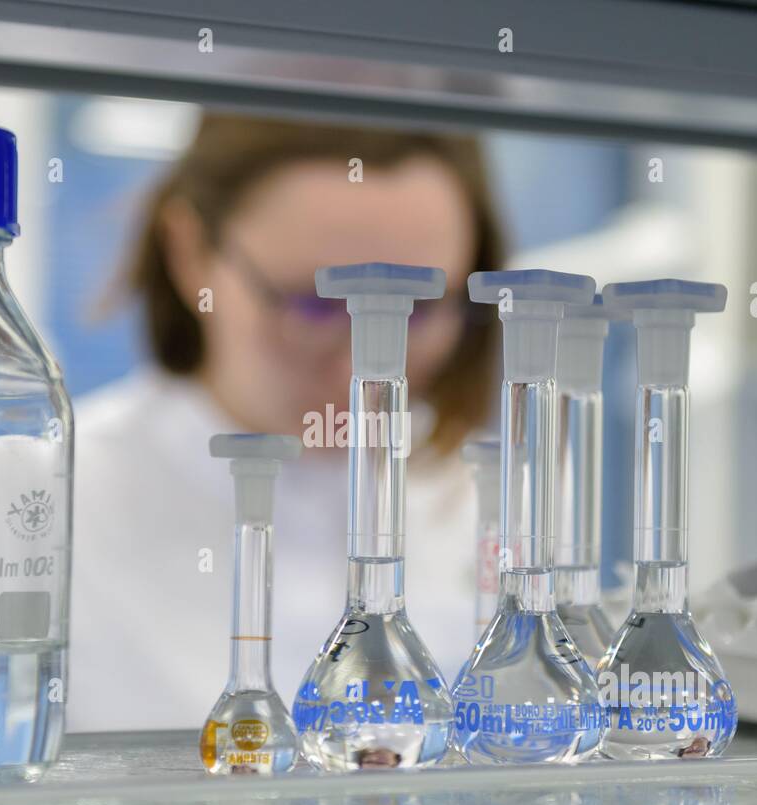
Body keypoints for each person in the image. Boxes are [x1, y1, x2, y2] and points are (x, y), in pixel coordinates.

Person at [69, 114, 505, 731]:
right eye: (314, 304)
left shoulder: (500, 498)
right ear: (190, 252)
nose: (359, 368)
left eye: (421, 309)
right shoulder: (38, 497)